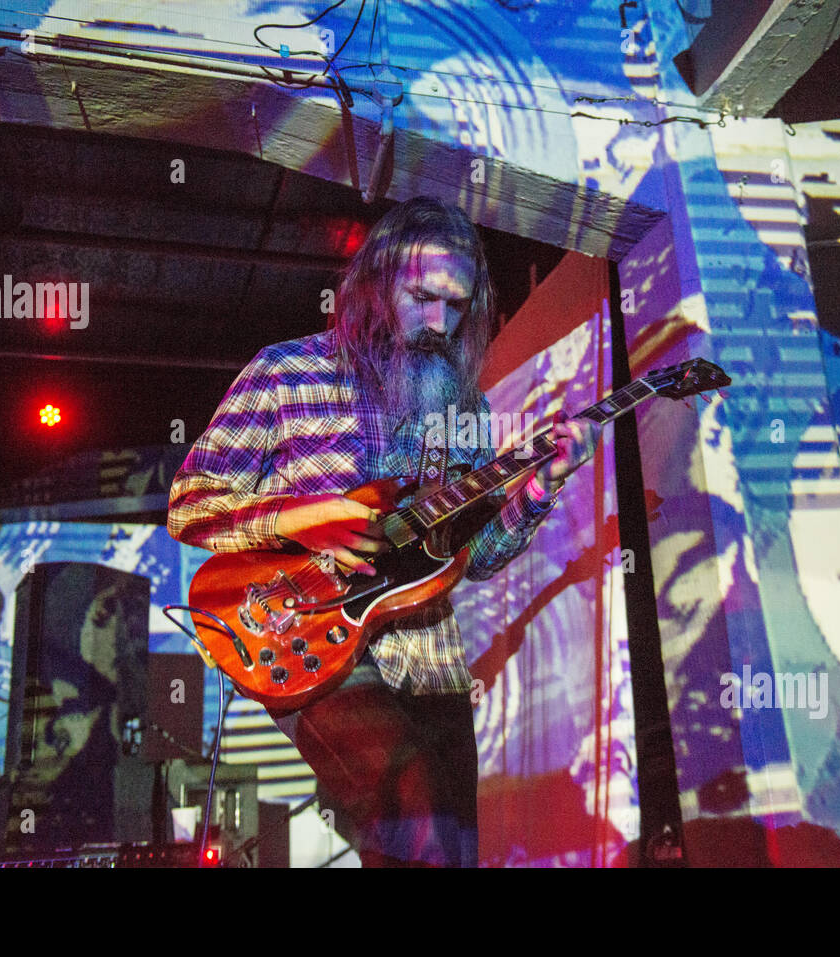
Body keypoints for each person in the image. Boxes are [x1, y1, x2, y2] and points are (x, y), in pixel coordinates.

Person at [168, 196, 600, 866]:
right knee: (415, 822)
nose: (439, 323)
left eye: (456, 306)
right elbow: (190, 505)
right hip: (308, 633)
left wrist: (540, 486)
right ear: (375, 282)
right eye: (423, 296)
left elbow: (474, 557)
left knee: (452, 850)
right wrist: (302, 520)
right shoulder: (286, 372)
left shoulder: (464, 408)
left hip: (431, 658)